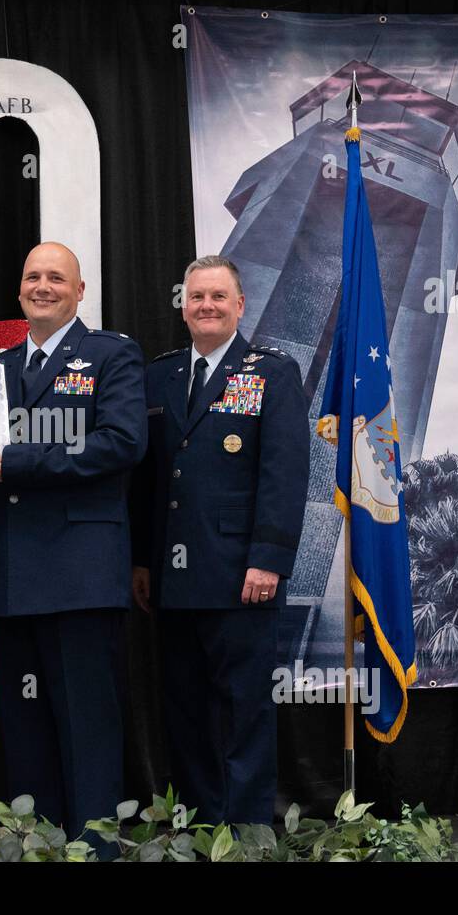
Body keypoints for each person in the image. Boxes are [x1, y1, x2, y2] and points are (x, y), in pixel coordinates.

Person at [0, 242, 146, 836]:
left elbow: (121, 444)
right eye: (32, 277)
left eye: (56, 277)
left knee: (87, 727)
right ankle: (39, 847)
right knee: (25, 729)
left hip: (81, 575)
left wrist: (23, 461)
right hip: (13, 573)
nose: (42, 286)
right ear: (19, 291)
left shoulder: (111, 356)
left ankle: (95, 848)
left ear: (80, 292)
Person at [130, 255, 309, 825]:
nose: (206, 306)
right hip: (173, 577)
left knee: (243, 711)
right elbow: (147, 478)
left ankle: (249, 831)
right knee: (185, 711)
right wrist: (141, 560)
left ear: (239, 305)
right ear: (182, 306)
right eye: (196, 296)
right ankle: (202, 826)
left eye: (217, 296)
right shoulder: (157, 375)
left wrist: (269, 559)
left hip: (241, 575)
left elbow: (285, 474)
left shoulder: (273, 372)